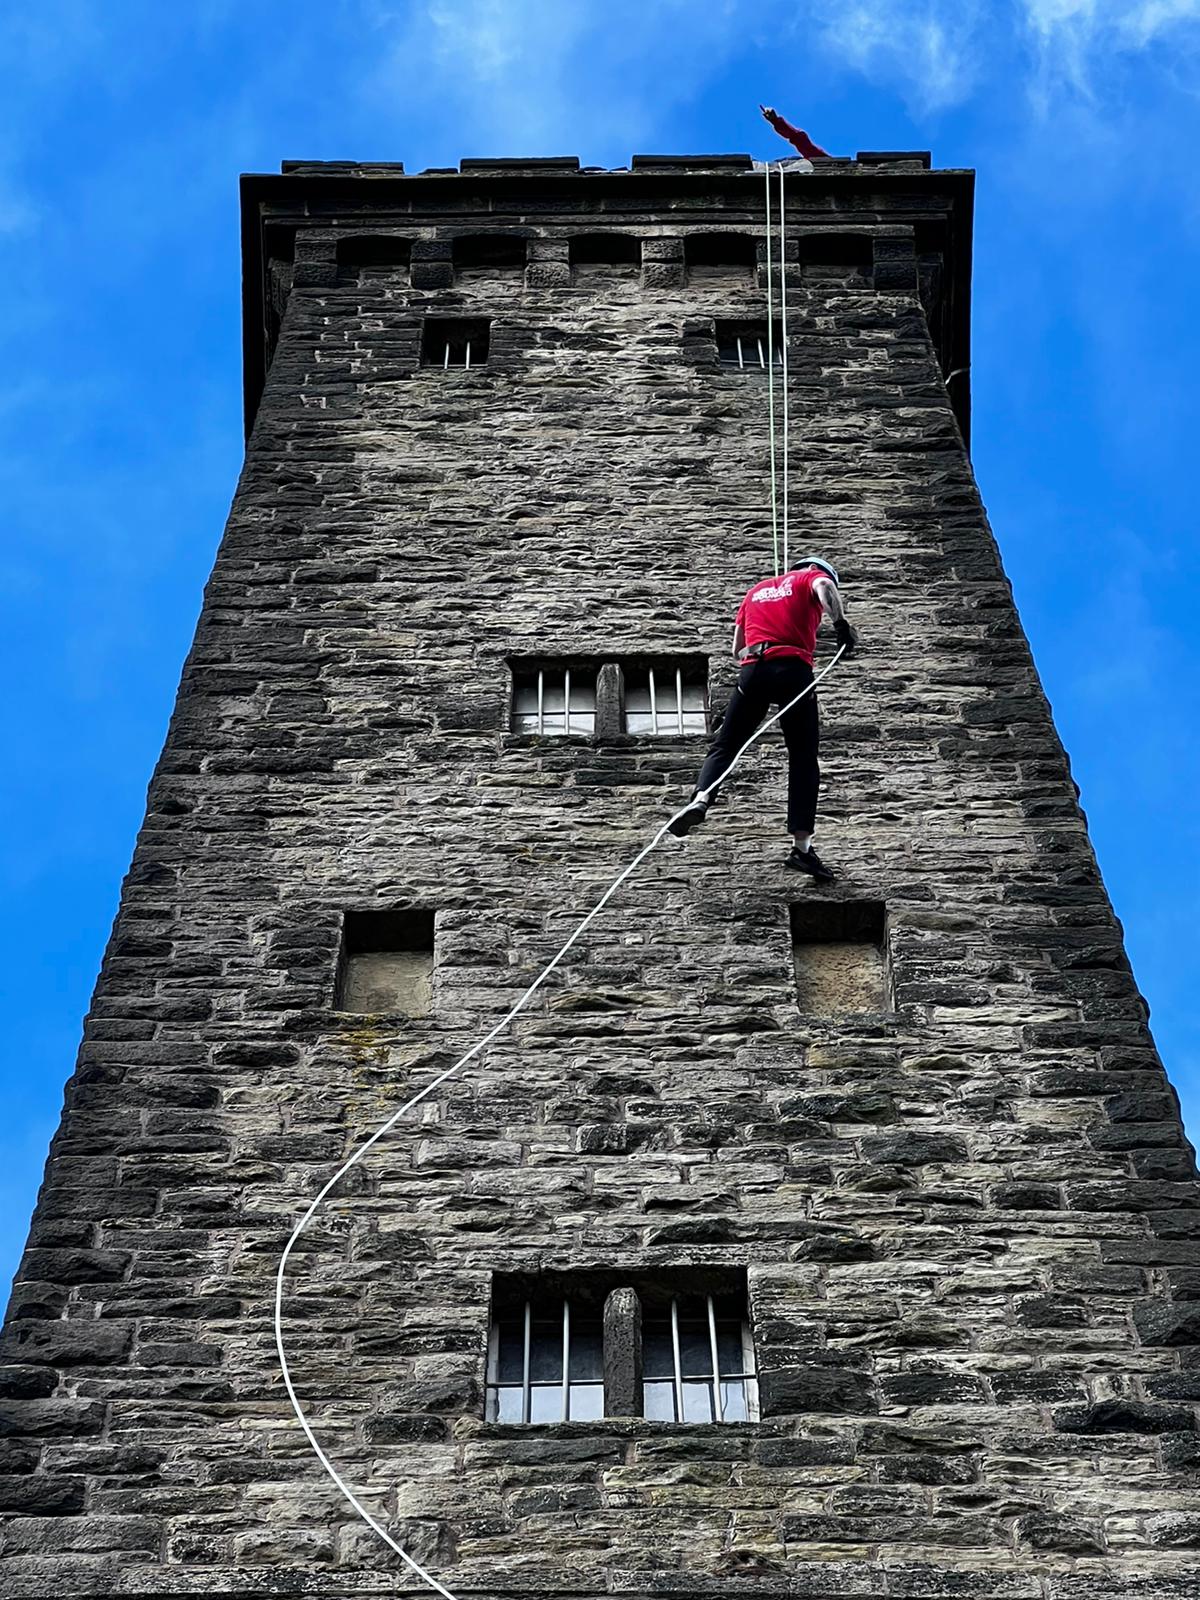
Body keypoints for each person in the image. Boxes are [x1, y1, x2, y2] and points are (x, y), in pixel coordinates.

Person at [667, 557, 856, 880]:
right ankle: (802, 848)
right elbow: (824, 587)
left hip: (753, 669)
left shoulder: (755, 591)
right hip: (792, 668)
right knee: (803, 757)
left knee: (726, 744)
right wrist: (840, 625)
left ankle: (700, 799)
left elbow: (736, 649)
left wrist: (762, 655)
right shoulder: (812, 578)